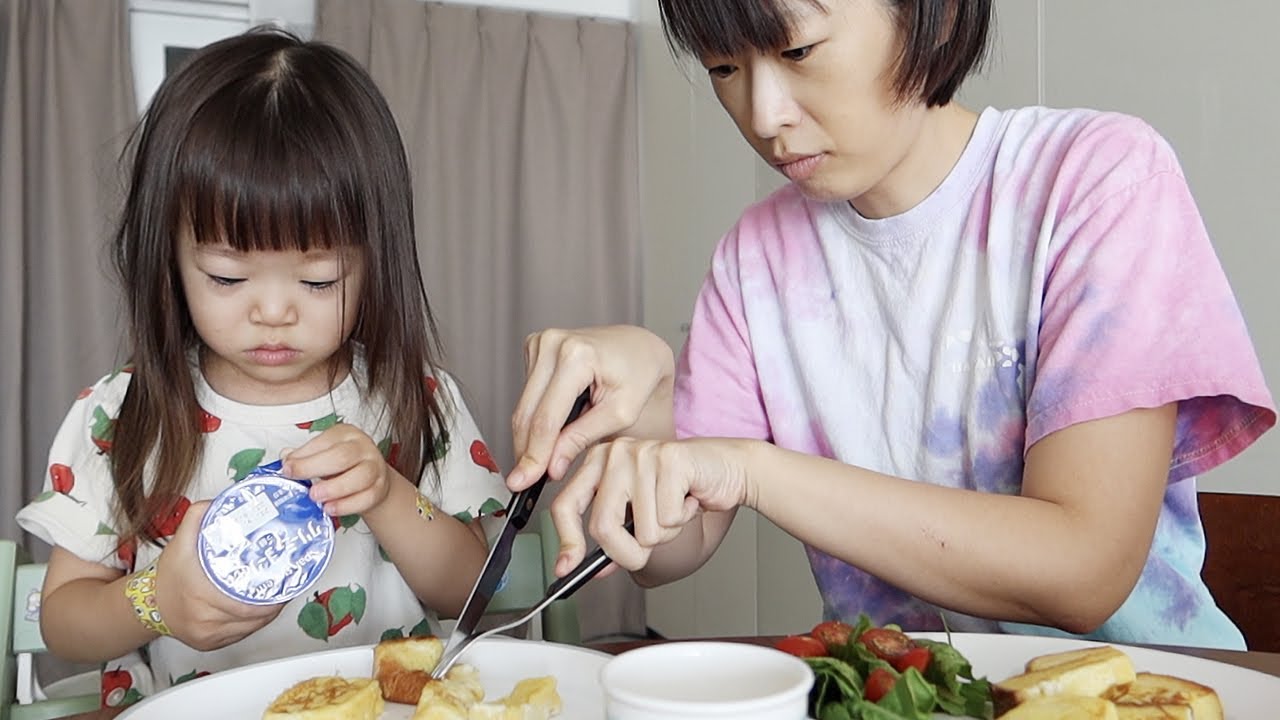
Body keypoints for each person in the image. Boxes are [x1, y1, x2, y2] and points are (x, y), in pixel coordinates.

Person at [507, 0, 1275, 649]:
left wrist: (752, 468)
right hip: (903, 693)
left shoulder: (1096, 181)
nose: (763, 115)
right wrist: (645, 398)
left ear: (931, 16)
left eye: (798, 48)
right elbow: (675, 551)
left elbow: (1084, 573)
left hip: (1144, 695)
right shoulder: (756, 256)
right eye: (724, 68)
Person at [16, 28, 508, 707]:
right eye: (226, 276)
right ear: (170, 259)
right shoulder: (120, 413)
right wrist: (156, 601)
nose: (273, 312)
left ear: (374, 261)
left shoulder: (414, 398)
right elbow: (66, 620)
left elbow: (474, 591)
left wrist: (390, 497)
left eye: (318, 280)